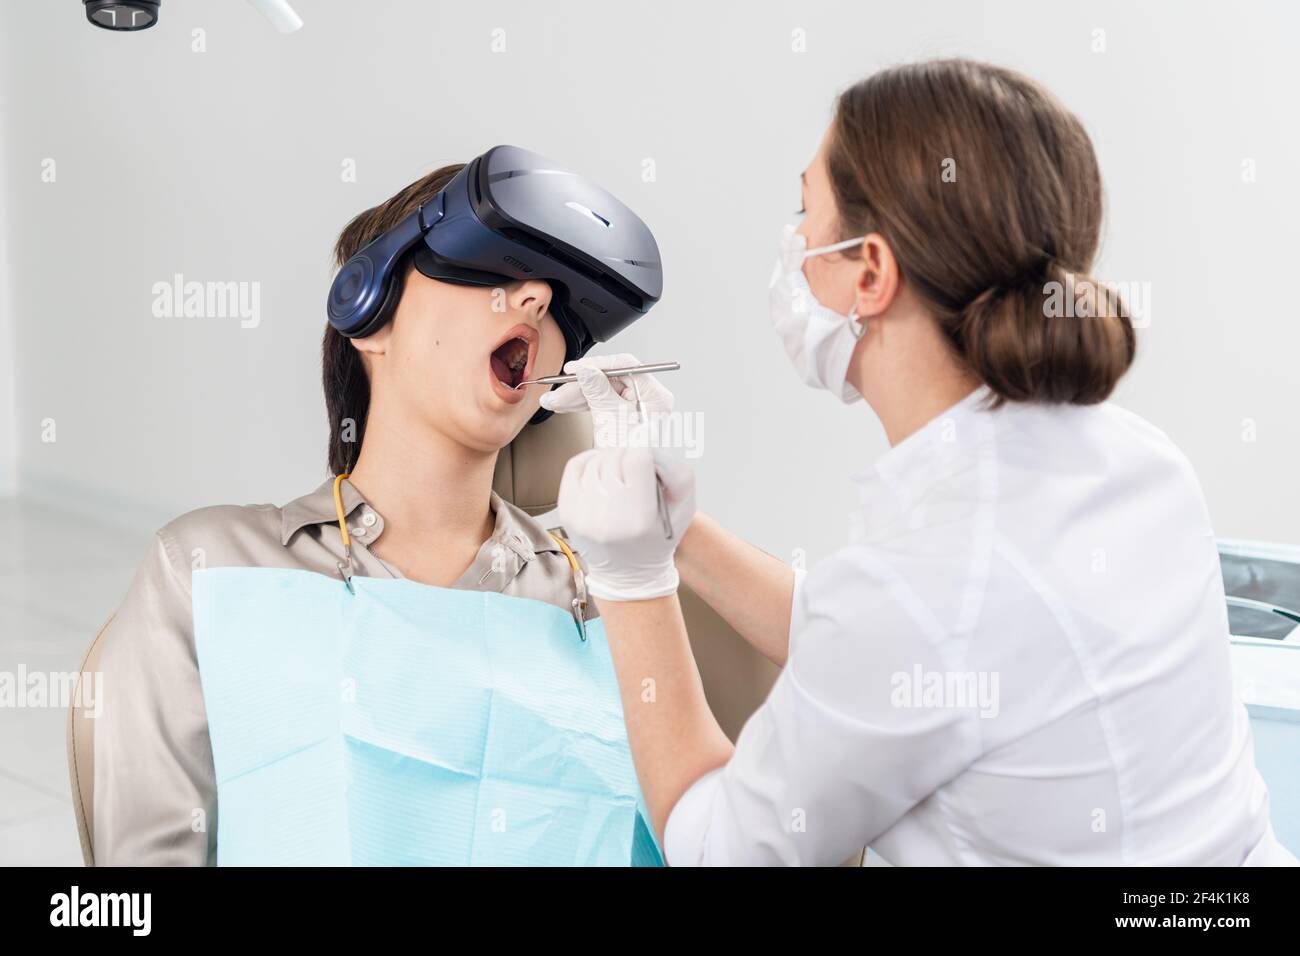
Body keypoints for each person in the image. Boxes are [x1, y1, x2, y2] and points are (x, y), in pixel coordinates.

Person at [548, 59, 1297, 866]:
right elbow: (881, 656)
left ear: (869, 272)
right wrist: (677, 534)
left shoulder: (927, 587)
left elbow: (713, 848)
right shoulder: (1138, 460)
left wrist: (632, 581)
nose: (794, 242)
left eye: (807, 210)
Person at [93, 162, 617, 864]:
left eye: (558, 304)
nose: (535, 297)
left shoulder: (597, 603)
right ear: (369, 312)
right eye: (493, 266)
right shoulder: (210, 568)